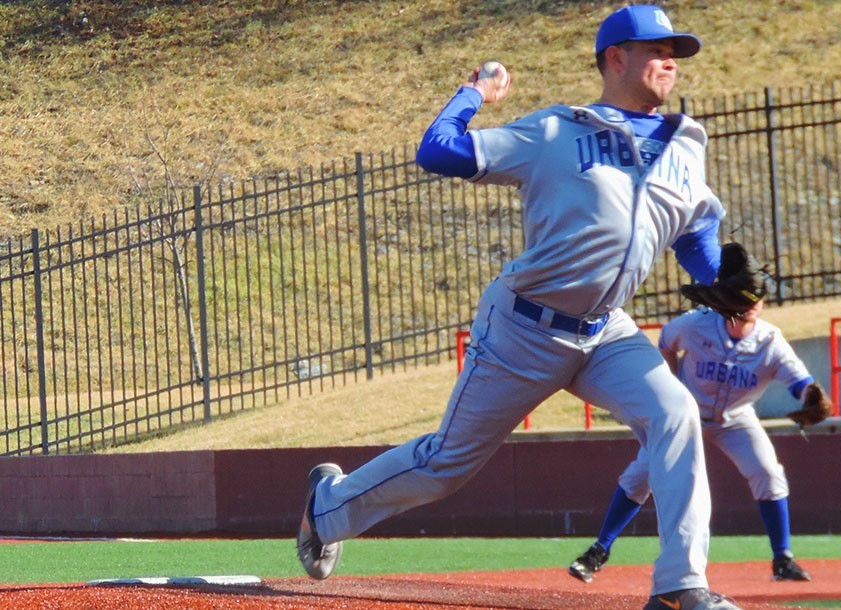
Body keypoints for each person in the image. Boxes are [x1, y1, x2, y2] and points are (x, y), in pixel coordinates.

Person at [296, 5, 742, 609]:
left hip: (606, 334)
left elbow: (694, 233)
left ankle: (680, 587)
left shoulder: (686, 146)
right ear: (616, 57)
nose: (670, 60)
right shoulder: (557, 131)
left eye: (677, 52)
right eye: (657, 48)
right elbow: (439, 151)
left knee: (675, 415)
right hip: (524, 329)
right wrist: (473, 92)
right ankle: (328, 508)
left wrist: (720, 281)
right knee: (445, 465)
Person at [568, 244, 827, 586]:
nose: (753, 307)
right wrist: (671, 387)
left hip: (735, 418)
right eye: (746, 301)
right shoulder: (696, 325)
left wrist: (814, 398)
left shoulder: (770, 341)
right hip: (686, 417)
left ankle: (783, 559)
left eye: (757, 301)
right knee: (640, 476)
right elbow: (666, 342)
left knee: (768, 472)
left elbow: (800, 381)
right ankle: (598, 551)